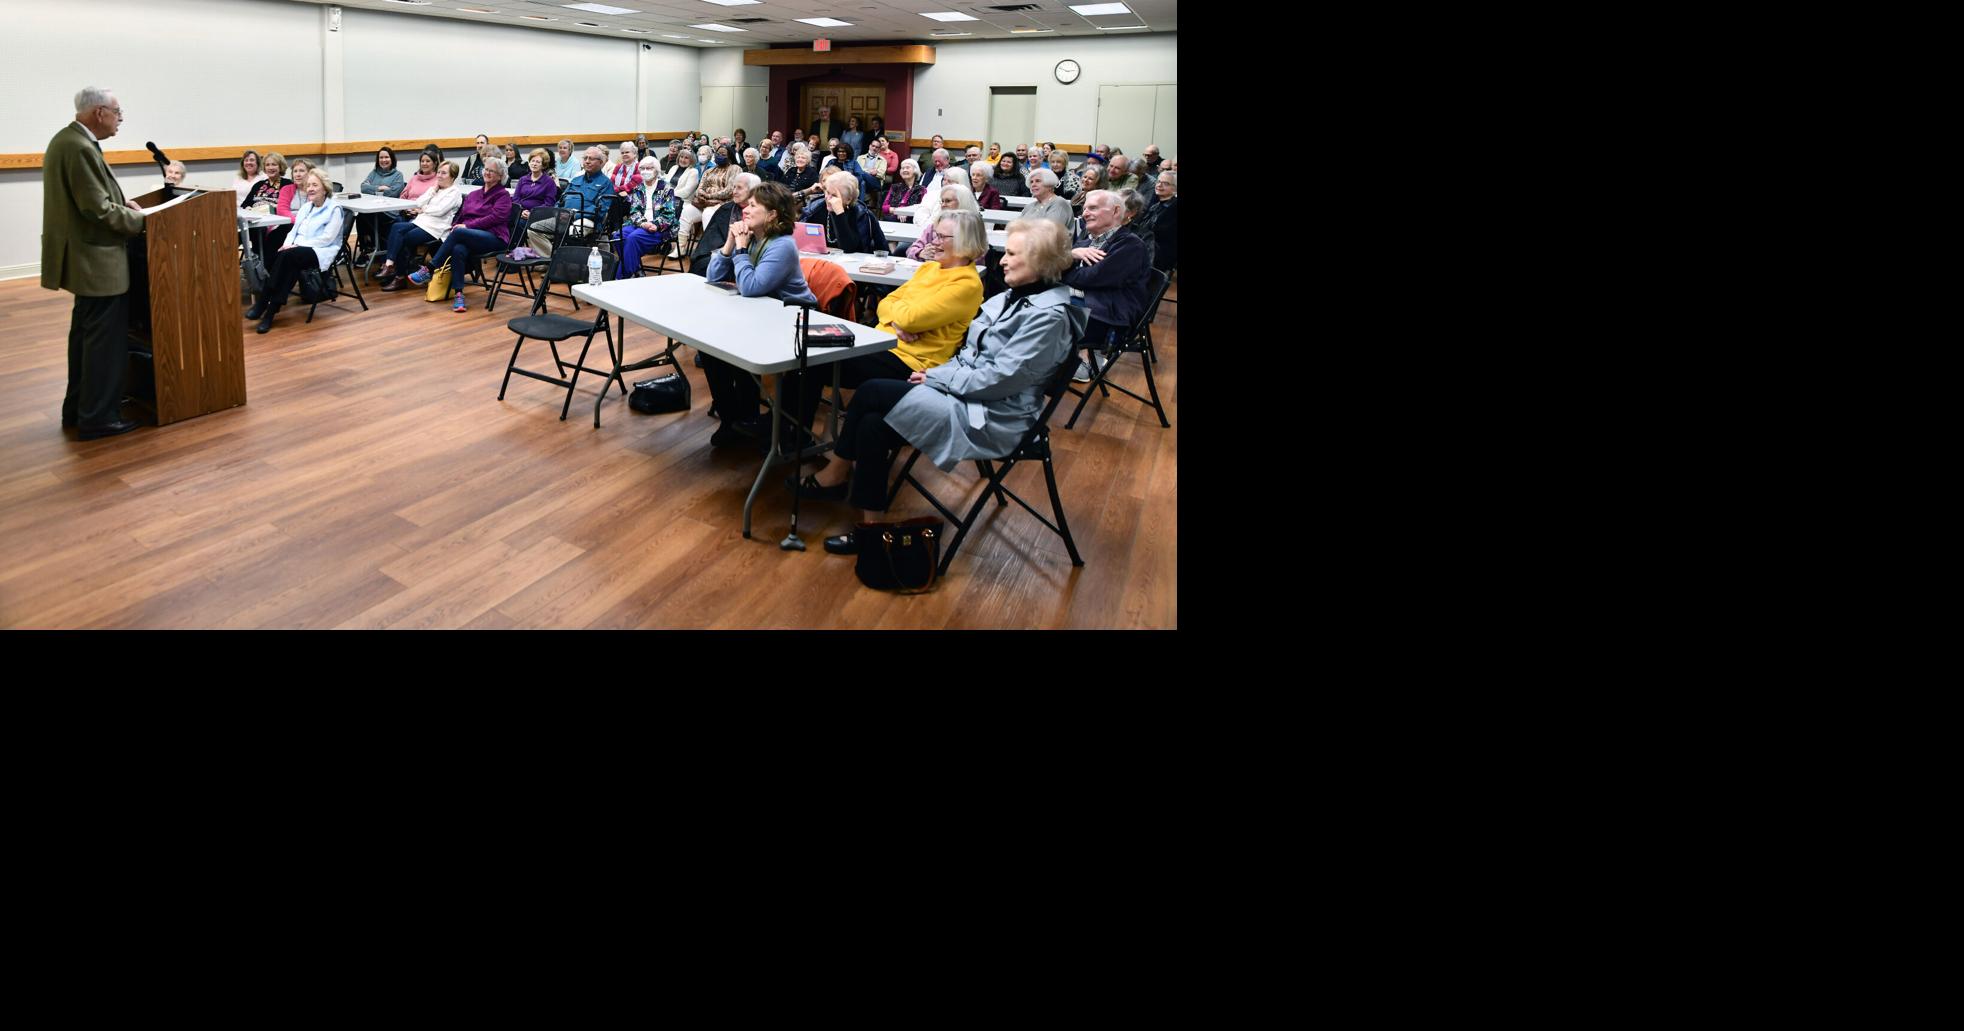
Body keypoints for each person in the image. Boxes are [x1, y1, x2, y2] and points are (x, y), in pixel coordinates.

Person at [789, 218, 1086, 555]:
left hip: (995, 416)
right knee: (872, 423)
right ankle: (871, 529)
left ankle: (835, 474)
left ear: (1041, 261)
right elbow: (968, 353)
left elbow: (1000, 380)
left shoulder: (1049, 316)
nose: (1001, 260)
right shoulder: (1011, 297)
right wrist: (940, 374)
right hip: (965, 393)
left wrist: (936, 376)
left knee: (872, 390)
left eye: (1013, 254)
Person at [778, 209, 985, 446]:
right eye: (934, 235)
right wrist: (898, 319)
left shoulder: (967, 284)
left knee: (814, 361)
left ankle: (791, 438)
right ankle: (784, 431)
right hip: (880, 341)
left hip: (911, 361)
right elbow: (885, 303)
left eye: (941, 237)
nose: (933, 242)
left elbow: (911, 318)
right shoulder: (929, 268)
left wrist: (898, 318)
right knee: (806, 354)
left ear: (964, 241)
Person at [43, 86, 146, 440]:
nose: (121, 119)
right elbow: (97, 210)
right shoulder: (80, 146)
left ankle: (78, 410)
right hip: (98, 263)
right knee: (104, 344)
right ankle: (99, 417)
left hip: (87, 260)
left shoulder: (67, 140)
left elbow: (96, 198)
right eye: (118, 112)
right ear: (99, 113)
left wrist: (123, 202)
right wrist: (143, 220)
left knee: (85, 339)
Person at [700, 182, 817, 447]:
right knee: (709, 347)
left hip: (793, 320)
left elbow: (751, 287)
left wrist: (741, 250)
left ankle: (746, 419)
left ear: (773, 214)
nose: (746, 210)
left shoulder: (782, 245)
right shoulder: (753, 236)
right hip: (761, 316)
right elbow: (712, 277)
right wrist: (729, 244)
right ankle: (734, 420)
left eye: (753, 206)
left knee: (735, 348)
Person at [1062, 189, 1151, 379]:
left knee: (1044, 312)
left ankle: (1083, 360)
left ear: (1116, 211)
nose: (1085, 213)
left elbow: (1091, 278)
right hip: (1086, 303)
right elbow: (1058, 270)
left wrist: (1066, 266)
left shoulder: (1130, 245)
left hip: (1108, 315)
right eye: (1085, 208)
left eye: (1093, 208)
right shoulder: (1087, 240)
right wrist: (1071, 255)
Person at [245, 169, 343, 334]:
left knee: (288, 256)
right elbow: (293, 231)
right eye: (308, 185)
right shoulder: (306, 207)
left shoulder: (334, 209)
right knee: (287, 260)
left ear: (325, 188)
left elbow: (327, 239)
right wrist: (288, 244)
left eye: (315, 185)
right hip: (298, 251)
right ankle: (269, 313)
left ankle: (263, 303)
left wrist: (297, 245)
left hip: (321, 251)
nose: (310, 188)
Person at [411, 157, 513, 311]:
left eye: (492, 171)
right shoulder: (473, 194)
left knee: (459, 233)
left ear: (500, 176)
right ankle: (459, 294)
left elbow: (496, 218)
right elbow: (461, 216)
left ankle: (430, 268)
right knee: (459, 249)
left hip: (494, 237)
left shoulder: (503, 195)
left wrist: (466, 226)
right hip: (470, 236)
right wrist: (454, 226)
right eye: (486, 169)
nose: (487, 173)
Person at [377, 160, 463, 289]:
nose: (439, 175)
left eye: (444, 173)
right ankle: (390, 265)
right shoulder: (436, 189)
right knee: (396, 227)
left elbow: (440, 211)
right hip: (422, 222)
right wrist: (432, 191)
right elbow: (418, 202)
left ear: (452, 176)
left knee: (403, 238)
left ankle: (397, 275)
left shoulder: (454, 192)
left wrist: (424, 209)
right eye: (438, 172)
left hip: (436, 228)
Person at [526, 145, 609, 257]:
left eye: (591, 159)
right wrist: (558, 212)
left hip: (586, 219)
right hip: (565, 217)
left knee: (572, 231)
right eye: (585, 158)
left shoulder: (605, 183)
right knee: (533, 229)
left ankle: (564, 262)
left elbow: (601, 209)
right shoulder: (576, 180)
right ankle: (552, 261)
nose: (587, 161)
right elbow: (561, 200)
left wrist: (575, 215)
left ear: (601, 162)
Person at [615, 156, 678, 278]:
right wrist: (643, 223)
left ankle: (622, 276)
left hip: (662, 228)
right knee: (618, 235)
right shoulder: (638, 188)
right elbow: (634, 211)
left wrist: (655, 224)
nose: (645, 171)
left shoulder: (666, 188)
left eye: (649, 168)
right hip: (640, 224)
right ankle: (635, 268)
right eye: (642, 168)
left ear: (656, 170)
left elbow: (669, 214)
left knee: (633, 238)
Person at [688, 171, 757, 276]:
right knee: (701, 263)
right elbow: (710, 240)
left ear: (753, 191)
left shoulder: (759, 212)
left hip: (748, 256)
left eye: (739, 188)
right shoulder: (726, 209)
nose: (734, 191)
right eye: (734, 187)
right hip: (723, 251)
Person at [800, 171, 888, 254]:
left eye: (834, 195)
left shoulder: (863, 214)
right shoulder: (815, 209)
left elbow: (849, 248)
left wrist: (839, 213)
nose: (828, 198)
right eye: (827, 192)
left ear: (849, 199)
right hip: (818, 263)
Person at [683, 143, 737, 252]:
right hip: (705, 203)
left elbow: (729, 190)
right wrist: (703, 196)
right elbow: (700, 188)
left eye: (723, 154)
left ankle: (709, 250)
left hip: (724, 205)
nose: (719, 156)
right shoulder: (710, 170)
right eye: (717, 153)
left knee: (708, 213)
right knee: (686, 211)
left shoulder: (734, 169)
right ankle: (681, 247)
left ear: (730, 156)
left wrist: (709, 196)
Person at [906, 183, 979, 261]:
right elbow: (911, 250)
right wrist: (921, 253)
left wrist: (944, 256)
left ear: (962, 202)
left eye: (948, 201)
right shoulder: (934, 226)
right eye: (942, 201)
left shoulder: (972, 228)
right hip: (932, 269)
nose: (943, 205)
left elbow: (978, 258)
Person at [1137, 170, 1177, 273]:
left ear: (1175, 189)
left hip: (1158, 255)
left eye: (1166, 183)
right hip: (1145, 248)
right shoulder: (1157, 203)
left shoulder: (1174, 207)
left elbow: (1158, 232)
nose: (1159, 185)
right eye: (1158, 181)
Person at [1018, 167, 1073, 232]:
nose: (1033, 185)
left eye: (1038, 181)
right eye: (1031, 182)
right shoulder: (1029, 206)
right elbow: (1017, 227)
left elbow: (1051, 232)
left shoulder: (1059, 203)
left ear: (1049, 184)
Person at [513, 148, 559, 222]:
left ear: (543, 165)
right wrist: (522, 211)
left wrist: (532, 213)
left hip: (538, 216)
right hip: (520, 213)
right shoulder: (523, 179)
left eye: (538, 162)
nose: (534, 164)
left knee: (518, 223)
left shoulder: (549, 182)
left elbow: (549, 204)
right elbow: (516, 199)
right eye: (532, 161)